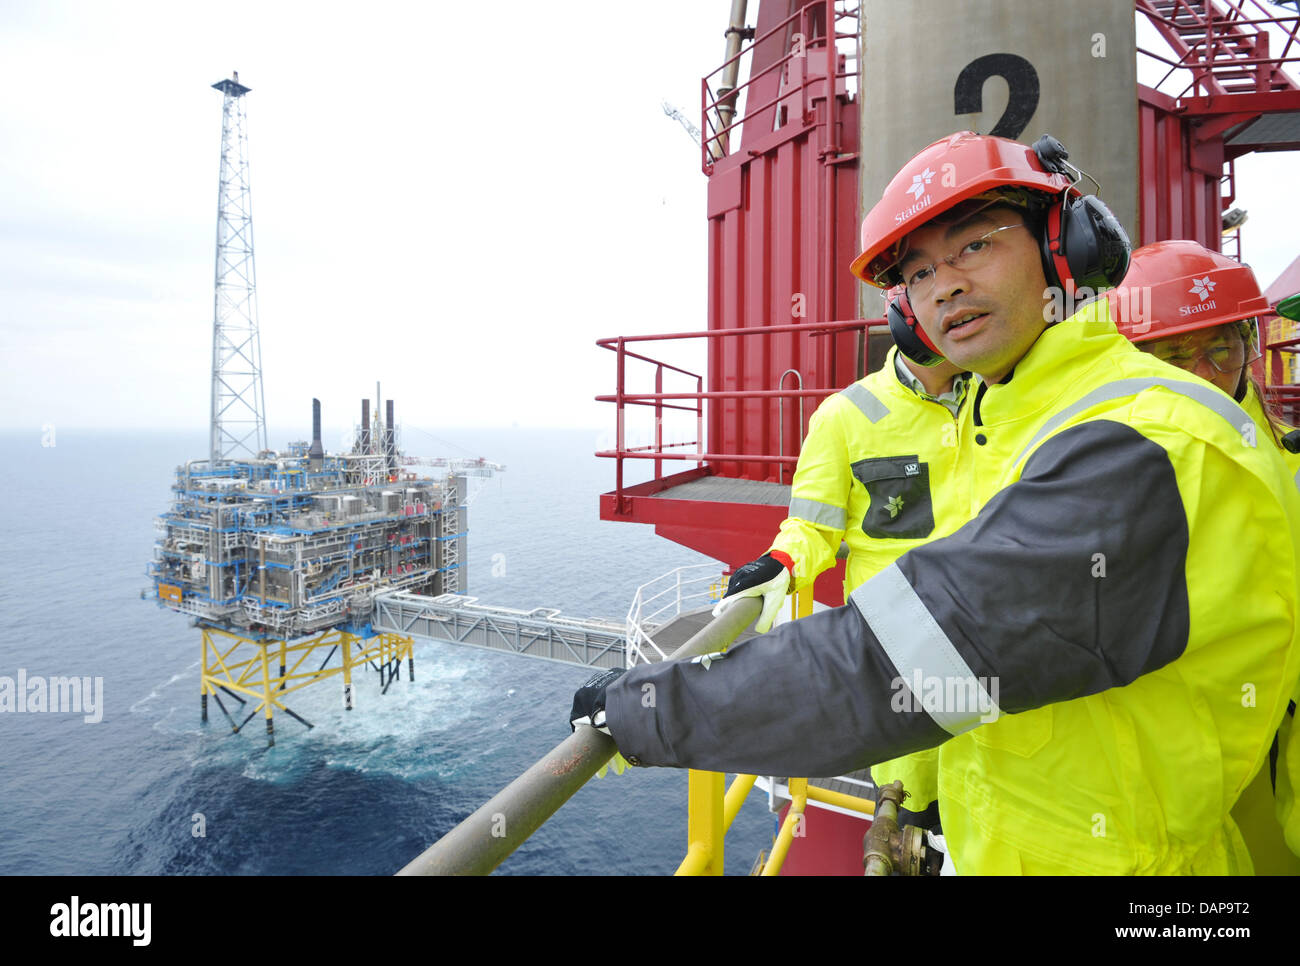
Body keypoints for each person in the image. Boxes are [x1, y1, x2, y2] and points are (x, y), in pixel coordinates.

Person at [573, 131, 1300, 874]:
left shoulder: (1148, 441)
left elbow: (906, 663)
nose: (944, 285)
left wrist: (648, 710)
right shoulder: (1015, 416)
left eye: (974, 246)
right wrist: (783, 562)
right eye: (918, 273)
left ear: (1067, 247)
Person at [713, 317, 967, 835]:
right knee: (909, 818)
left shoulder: (1006, 399)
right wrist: (782, 563)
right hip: (903, 653)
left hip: (995, 642)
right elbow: (812, 526)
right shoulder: (845, 415)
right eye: (923, 281)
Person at [1109, 240, 1300, 872]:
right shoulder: (1105, 478)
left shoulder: (1289, 462)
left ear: (1248, 345)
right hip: (1186, 770)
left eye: (1221, 347)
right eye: (1170, 355)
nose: (1205, 373)